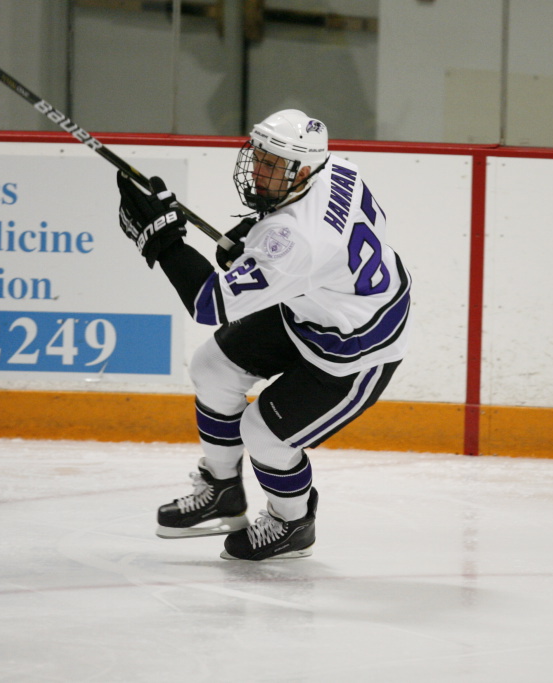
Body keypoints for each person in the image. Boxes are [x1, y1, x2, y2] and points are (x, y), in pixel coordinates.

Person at [116, 109, 411, 560]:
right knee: (212, 369)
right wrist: (255, 236)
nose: (259, 169)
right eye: (259, 156)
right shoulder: (338, 168)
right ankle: (222, 491)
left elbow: (208, 304)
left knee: (265, 435)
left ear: (305, 170)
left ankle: (292, 524)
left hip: (355, 346)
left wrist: (161, 241)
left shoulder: (298, 240)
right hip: (313, 307)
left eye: (274, 165)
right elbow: (294, 231)